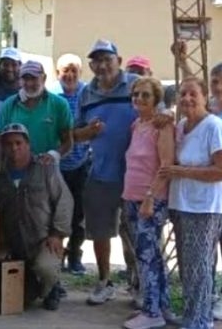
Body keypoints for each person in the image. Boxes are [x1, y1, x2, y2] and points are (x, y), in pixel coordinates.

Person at [158, 77, 222, 329]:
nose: (187, 98)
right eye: (183, 94)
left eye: (193, 94)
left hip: (205, 207)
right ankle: (191, 316)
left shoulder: (214, 126)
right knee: (188, 267)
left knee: (199, 267)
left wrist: (182, 171)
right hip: (181, 203)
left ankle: (200, 321)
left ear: (204, 98)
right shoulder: (181, 126)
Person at [74, 39, 140, 305]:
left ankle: (138, 283)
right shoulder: (86, 94)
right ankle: (104, 282)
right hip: (100, 173)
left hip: (136, 174)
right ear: (91, 65)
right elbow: (74, 134)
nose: (102, 66)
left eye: (107, 59)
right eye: (97, 61)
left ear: (119, 61)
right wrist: (86, 133)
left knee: (136, 232)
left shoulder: (136, 85)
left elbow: (158, 119)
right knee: (100, 232)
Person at [0, 123, 73, 311]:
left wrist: (57, 234)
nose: (14, 148)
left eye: (19, 142)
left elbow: (64, 201)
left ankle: (51, 287)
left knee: (45, 268)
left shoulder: (46, 168)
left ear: (28, 144)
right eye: (9, 143)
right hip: (13, 242)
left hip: (43, 240)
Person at [121, 77, 175, 329]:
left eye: (145, 95)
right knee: (149, 255)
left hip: (150, 200)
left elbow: (165, 167)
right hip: (131, 198)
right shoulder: (136, 125)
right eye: (136, 95)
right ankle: (162, 306)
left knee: (146, 256)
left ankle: (151, 312)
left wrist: (150, 199)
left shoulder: (162, 126)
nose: (139, 99)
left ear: (156, 100)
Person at [50, 53, 89, 275]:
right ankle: (56, 258)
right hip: (56, 166)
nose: (70, 74)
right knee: (55, 214)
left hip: (81, 163)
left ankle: (75, 255)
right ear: (58, 73)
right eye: (66, 70)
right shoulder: (52, 95)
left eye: (74, 70)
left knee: (78, 215)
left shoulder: (87, 94)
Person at [0, 60, 73, 163]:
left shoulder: (59, 104)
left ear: (44, 78)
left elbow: (68, 141)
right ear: (19, 80)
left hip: (46, 168)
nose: (29, 83)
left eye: (33, 78)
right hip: (14, 168)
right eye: (25, 78)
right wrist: (0, 163)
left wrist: (54, 155)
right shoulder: (9, 104)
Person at [209, 62, 222, 320]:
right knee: (209, 243)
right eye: (215, 81)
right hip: (210, 191)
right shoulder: (209, 109)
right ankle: (210, 290)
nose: (219, 86)